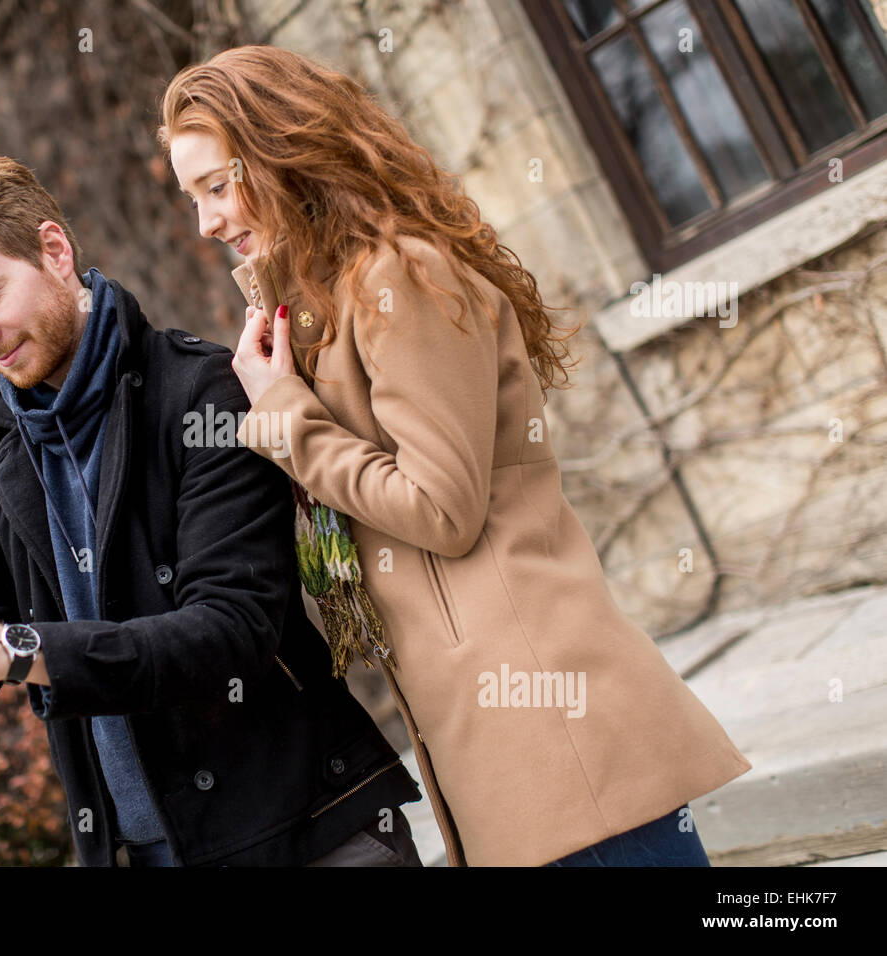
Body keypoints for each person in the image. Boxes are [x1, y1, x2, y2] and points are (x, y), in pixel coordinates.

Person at [159, 45, 752, 867]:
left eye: (217, 186)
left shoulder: (398, 277)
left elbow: (443, 509)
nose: (208, 222)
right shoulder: (334, 302)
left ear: (283, 150)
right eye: (193, 198)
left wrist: (283, 414)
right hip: (501, 739)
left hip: (559, 737)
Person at [0, 149, 426, 867]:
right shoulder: (2, 464)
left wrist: (17, 649)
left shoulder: (204, 395)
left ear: (54, 250)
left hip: (309, 837)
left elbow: (230, 634)